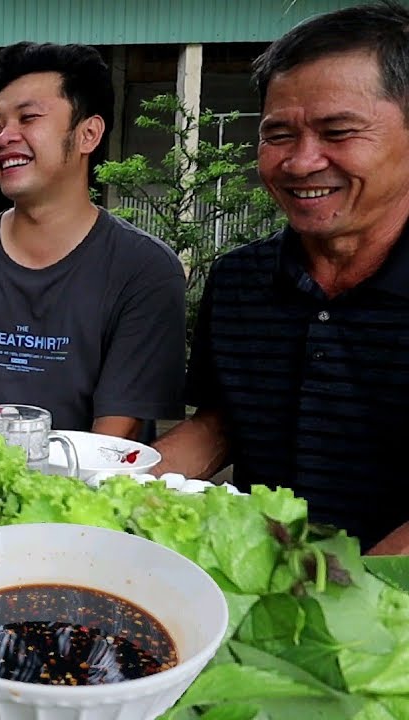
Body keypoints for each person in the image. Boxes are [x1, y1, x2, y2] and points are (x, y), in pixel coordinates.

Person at [154, 2, 409, 554]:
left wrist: (343, 601)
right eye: (278, 135)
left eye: (337, 131)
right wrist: (115, 491)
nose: (300, 162)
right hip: (253, 585)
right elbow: (222, 425)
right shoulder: (239, 280)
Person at [0, 42, 187, 439]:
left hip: (86, 492)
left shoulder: (144, 269)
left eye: (28, 118)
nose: (4, 137)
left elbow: (114, 438)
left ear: (88, 134)